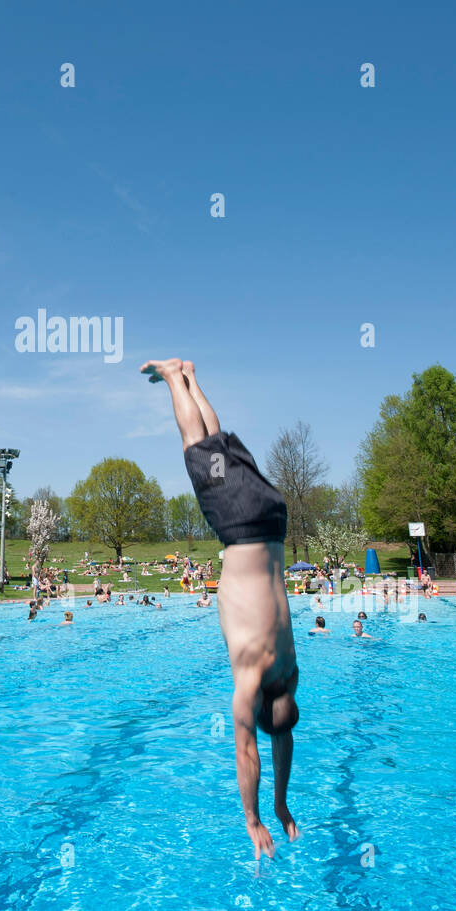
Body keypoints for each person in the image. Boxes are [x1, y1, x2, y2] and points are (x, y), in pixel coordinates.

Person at [142, 356, 299, 859]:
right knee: (196, 449)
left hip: (272, 517)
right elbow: (250, 748)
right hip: (241, 526)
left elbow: (281, 738)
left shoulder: (290, 671)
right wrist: (254, 817)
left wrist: (283, 804)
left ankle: (189, 374)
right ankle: (171, 376)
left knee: (216, 448)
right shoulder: (251, 679)